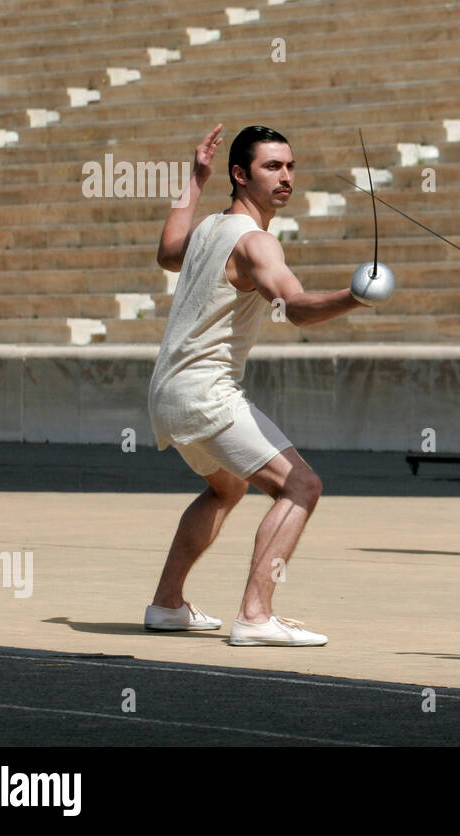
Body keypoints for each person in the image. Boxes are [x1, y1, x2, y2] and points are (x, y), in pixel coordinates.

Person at [146, 123, 371, 646]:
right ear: (241, 174)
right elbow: (295, 310)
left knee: (225, 487)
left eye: (290, 166)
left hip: (166, 394)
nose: (286, 177)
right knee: (301, 486)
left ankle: (166, 604)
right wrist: (356, 296)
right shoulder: (256, 243)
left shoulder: (210, 227)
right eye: (273, 167)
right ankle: (254, 614)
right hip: (205, 394)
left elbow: (166, 252)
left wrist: (195, 180)